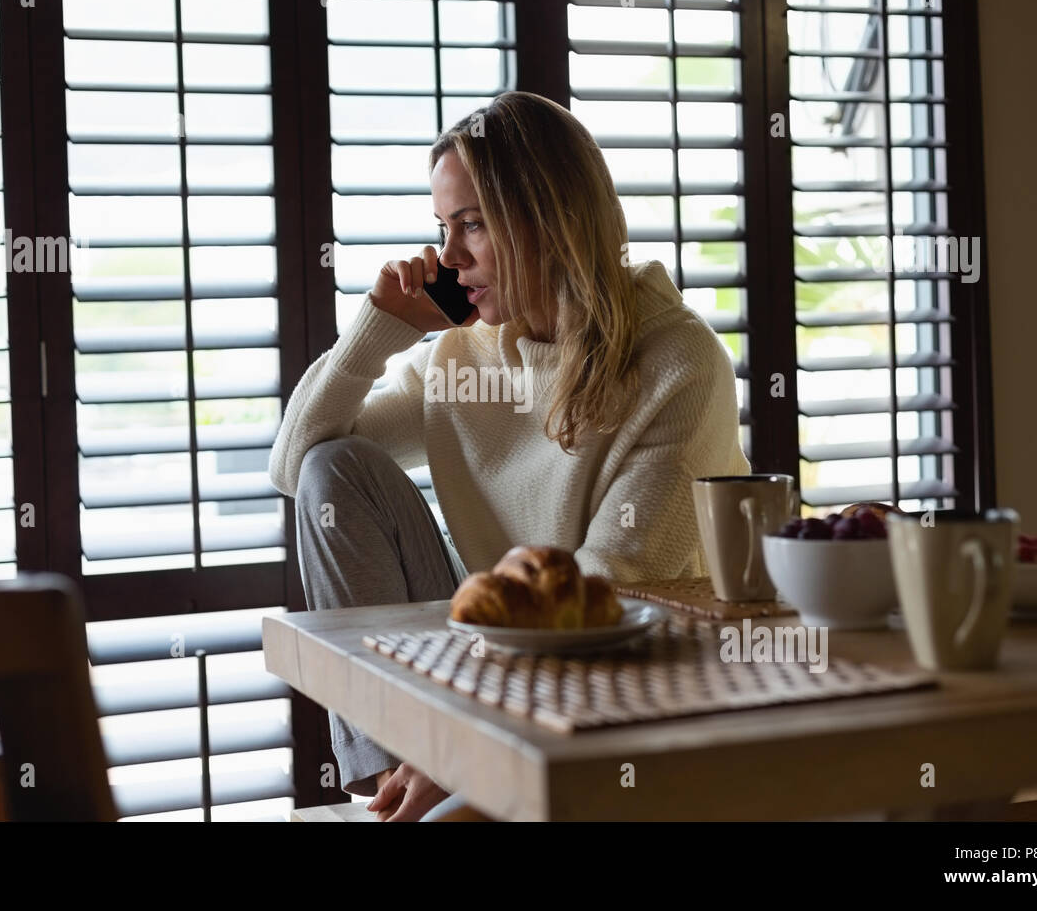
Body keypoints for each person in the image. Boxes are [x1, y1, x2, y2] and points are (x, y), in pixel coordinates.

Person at [268, 90, 750, 821]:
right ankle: (389, 774)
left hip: (627, 677)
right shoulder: (466, 354)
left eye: (473, 225)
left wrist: (466, 741)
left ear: (550, 217)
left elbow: (610, 589)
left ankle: (443, 772)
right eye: (442, 228)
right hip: (500, 654)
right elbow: (294, 463)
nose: (450, 257)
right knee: (335, 470)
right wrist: (378, 333)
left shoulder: (679, 364)